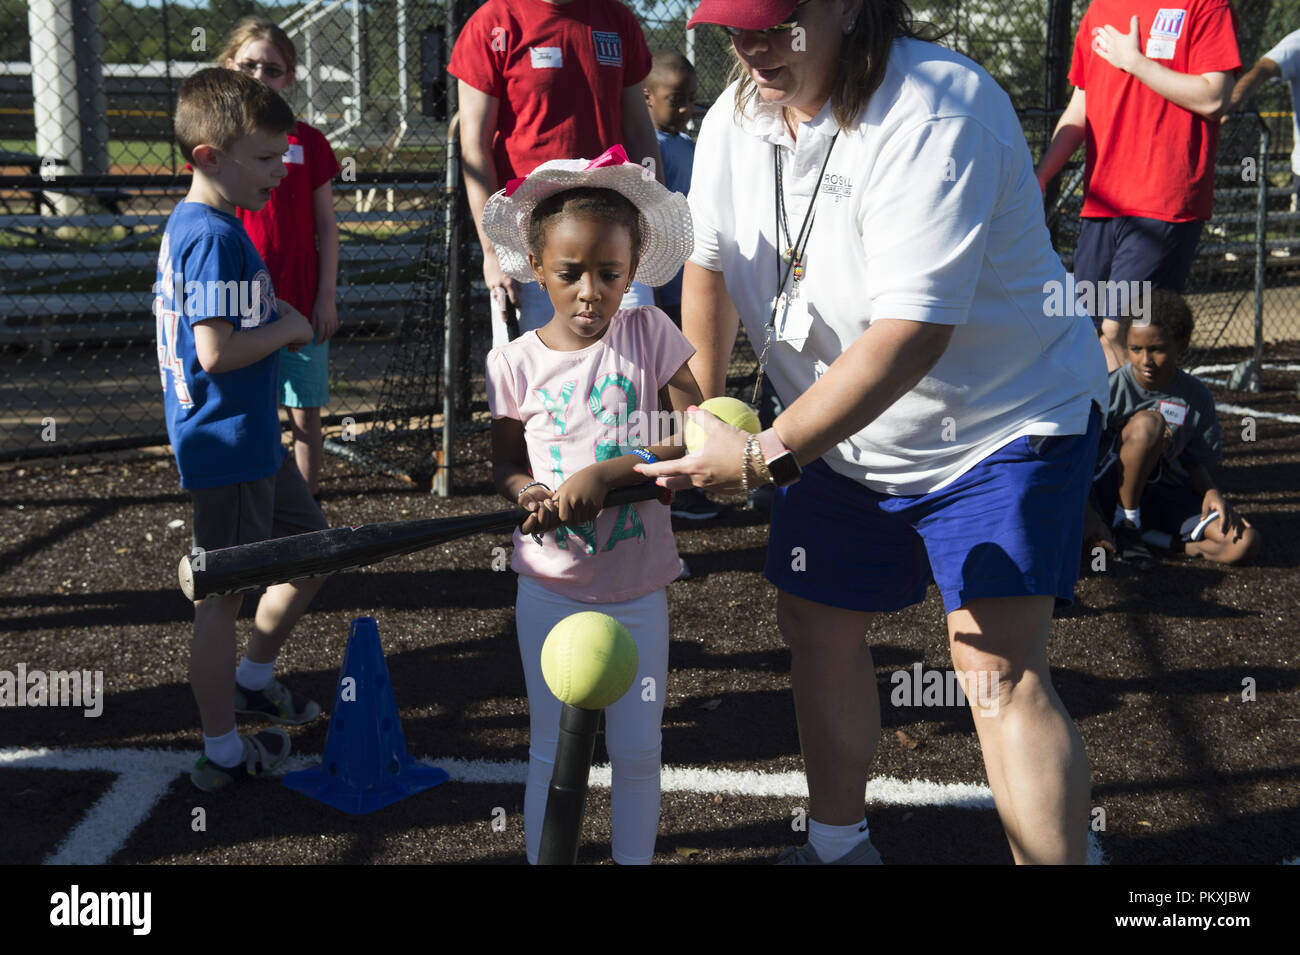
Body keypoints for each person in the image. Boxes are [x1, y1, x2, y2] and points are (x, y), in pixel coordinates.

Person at [637, 0, 1110, 865]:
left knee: (992, 667)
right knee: (814, 621)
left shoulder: (937, 107)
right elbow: (705, 264)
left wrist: (758, 453)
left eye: (774, 21)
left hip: (998, 420)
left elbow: (910, 335)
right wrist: (701, 415)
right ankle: (836, 845)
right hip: (836, 426)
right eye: (733, 27)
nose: (748, 46)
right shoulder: (737, 118)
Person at [482, 146, 703, 864]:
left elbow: (691, 437)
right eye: (570, 273)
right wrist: (530, 493)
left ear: (631, 274)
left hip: (637, 587)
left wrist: (606, 474)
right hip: (551, 588)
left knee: (638, 748)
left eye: (609, 275)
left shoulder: (651, 336)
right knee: (551, 749)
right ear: (537, 269)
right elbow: (506, 463)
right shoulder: (513, 362)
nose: (589, 291)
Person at [156, 68, 328, 792]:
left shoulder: (201, 225)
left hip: (249, 437)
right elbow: (216, 351)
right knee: (220, 599)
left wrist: (272, 318)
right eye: (265, 158)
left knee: (313, 550)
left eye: (284, 155)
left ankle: (255, 677)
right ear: (208, 157)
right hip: (228, 445)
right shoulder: (215, 236)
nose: (280, 172)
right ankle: (222, 749)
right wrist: (288, 324)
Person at [1036, 1, 1240, 361]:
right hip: (1102, 204)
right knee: (1085, 324)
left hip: (1163, 202)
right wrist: (1040, 177)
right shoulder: (1099, 10)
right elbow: (1080, 106)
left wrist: (1135, 63)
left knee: (1123, 328)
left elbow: (1214, 97)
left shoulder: (1206, 5)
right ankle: (1110, 417)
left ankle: (1136, 418)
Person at [449, 0, 666, 338]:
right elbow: (473, 147)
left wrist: (655, 218)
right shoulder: (493, 22)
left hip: (614, 229)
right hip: (528, 241)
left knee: (635, 362)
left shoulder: (616, 17)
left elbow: (640, 131)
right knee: (542, 380)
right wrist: (493, 252)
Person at [219, 18, 341, 505]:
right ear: (229, 67)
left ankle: (304, 505)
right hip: (240, 303)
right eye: (248, 65)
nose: (258, 76)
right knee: (250, 407)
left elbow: (327, 226)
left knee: (306, 411)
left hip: (301, 301)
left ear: (289, 77)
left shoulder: (309, 142)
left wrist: (326, 296)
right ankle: (258, 496)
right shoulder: (221, 144)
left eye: (272, 69)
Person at [1091, 289, 1260, 564]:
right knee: (1149, 424)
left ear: (1181, 343)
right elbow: (1081, 456)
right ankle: (1126, 523)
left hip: (1161, 494)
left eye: (1156, 349)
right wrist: (1087, 513)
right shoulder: (1110, 389)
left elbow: (1194, 463)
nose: (1145, 360)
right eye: (1135, 349)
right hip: (1110, 493)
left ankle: (1162, 541)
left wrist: (1211, 492)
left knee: (1243, 541)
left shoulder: (1196, 395)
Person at [642, 51, 718, 523]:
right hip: (665, 287)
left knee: (685, 386)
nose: (687, 107)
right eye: (676, 100)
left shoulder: (687, 143)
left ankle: (684, 481)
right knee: (667, 390)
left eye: (691, 99)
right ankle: (670, 484)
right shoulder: (651, 148)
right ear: (646, 98)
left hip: (691, 284)